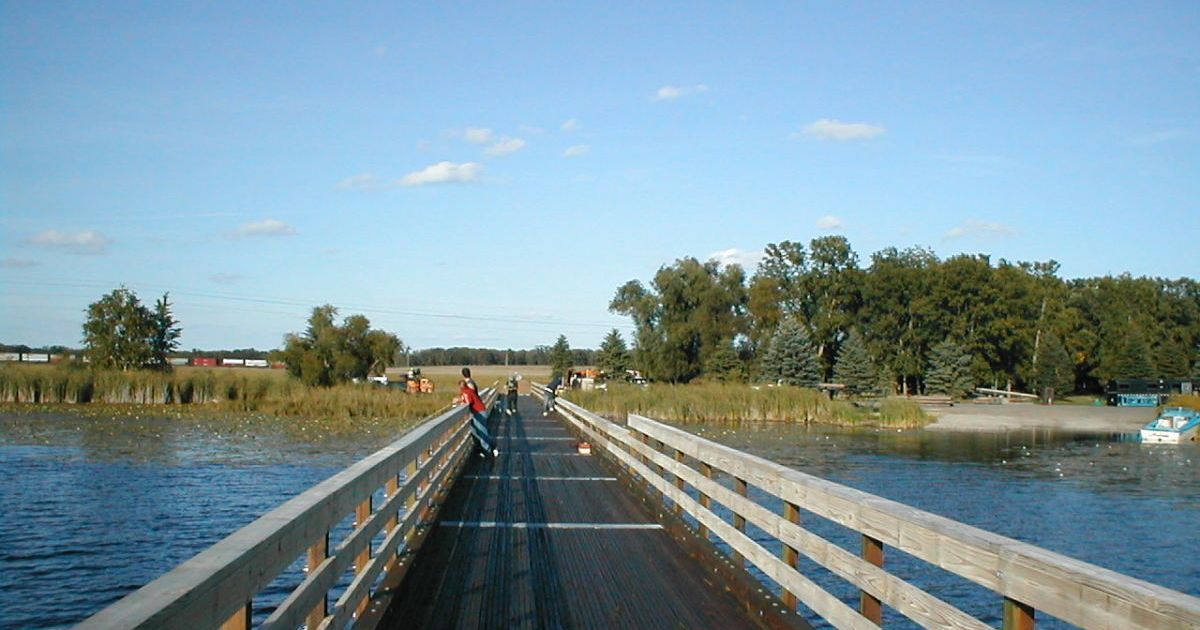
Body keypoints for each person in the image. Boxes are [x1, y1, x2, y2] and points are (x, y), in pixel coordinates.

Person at [460, 378, 498, 457]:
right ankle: (491, 445)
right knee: (479, 430)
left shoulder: (466, 392)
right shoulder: (470, 390)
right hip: (480, 410)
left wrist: (459, 401)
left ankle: (487, 450)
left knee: (482, 431)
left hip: (478, 411)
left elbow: (468, 401)